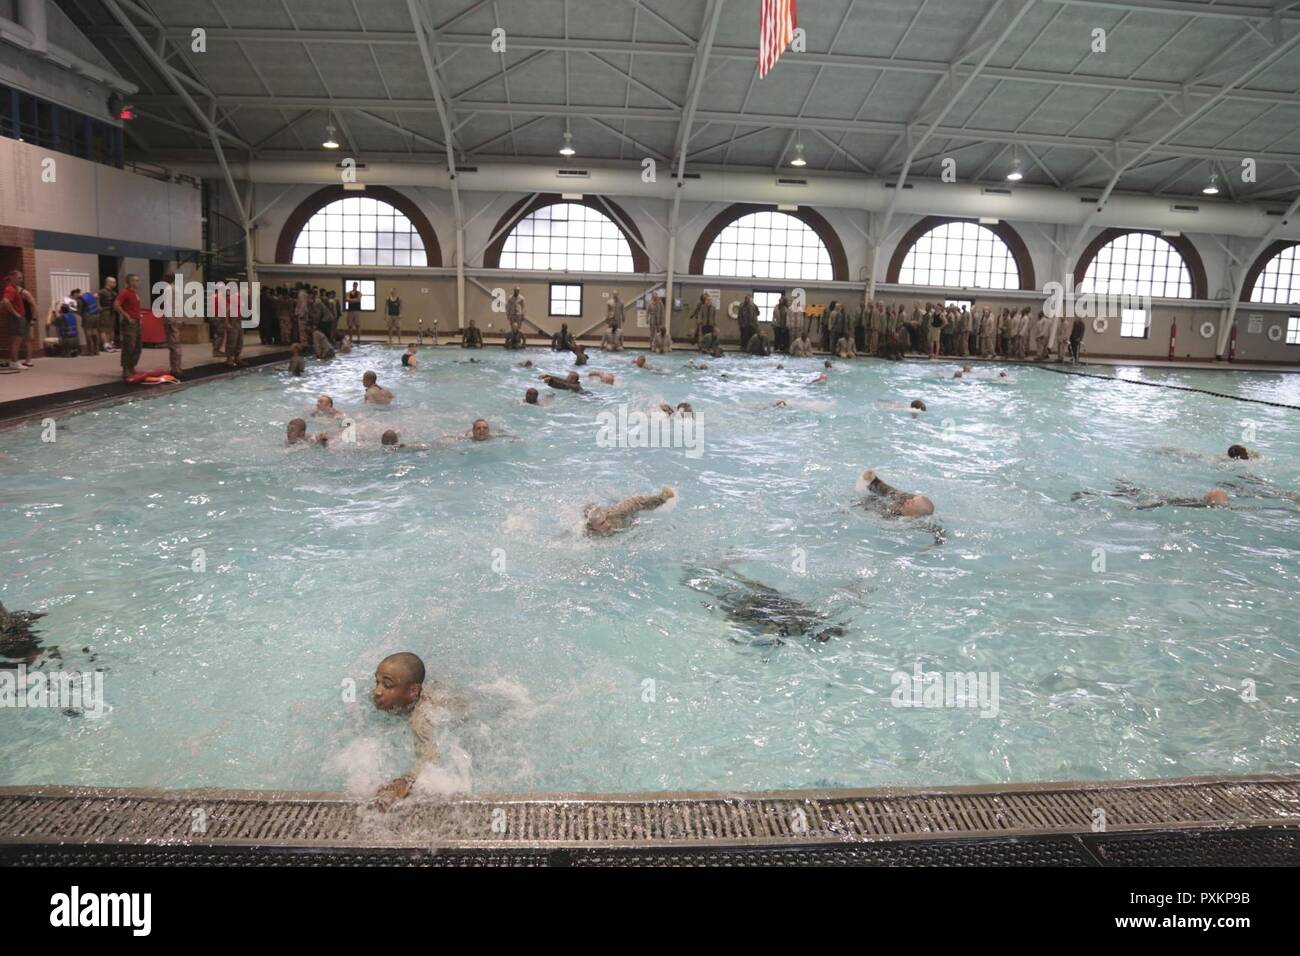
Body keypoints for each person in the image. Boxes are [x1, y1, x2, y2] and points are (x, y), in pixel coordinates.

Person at [370, 652, 466, 804]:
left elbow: (430, 759)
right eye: (377, 682)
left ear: (413, 691)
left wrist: (406, 781)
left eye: (387, 685)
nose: (377, 692)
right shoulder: (403, 695)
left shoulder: (422, 718)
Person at [857, 469, 944, 543]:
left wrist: (934, 546)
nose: (908, 501)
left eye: (911, 503)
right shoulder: (903, 500)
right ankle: (872, 480)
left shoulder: (917, 522)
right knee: (887, 493)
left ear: (916, 515)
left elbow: (939, 532)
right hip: (892, 501)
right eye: (911, 500)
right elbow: (890, 492)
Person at [584, 486, 676, 536]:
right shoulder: (589, 533)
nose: (607, 524)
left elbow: (637, 501)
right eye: (601, 524)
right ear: (593, 527)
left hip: (629, 517)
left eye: (606, 519)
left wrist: (661, 498)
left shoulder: (616, 513)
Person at [1, 270, 35, 370]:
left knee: (16, 341)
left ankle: (14, 362)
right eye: (19, 278)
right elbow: (6, 301)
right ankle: (14, 362)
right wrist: (16, 314)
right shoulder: (10, 288)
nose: (21, 280)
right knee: (16, 341)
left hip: (20, 317)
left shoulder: (14, 289)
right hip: (18, 318)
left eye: (21, 278)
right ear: (12, 277)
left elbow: (4, 302)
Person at [114, 273, 144, 380]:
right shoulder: (125, 293)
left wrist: (139, 317)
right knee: (129, 346)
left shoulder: (135, 293)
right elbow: (116, 305)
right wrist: (127, 316)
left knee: (138, 346)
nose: (138, 282)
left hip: (137, 322)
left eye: (138, 280)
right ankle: (126, 369)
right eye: (136, 280)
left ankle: (131, 366)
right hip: (129, 323)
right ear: (130, 282)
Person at [160, 271, 184, 379]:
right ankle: (176, 367)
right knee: (176, 344)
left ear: (165, 278)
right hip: (178, 318)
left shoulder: (168, 289)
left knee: (174, 345)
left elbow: (168, 305)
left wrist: (169, 320)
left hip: (172, 319)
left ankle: (176, 369)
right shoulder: (177, 289)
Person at [78, 287, 102, 356]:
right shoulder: (91, 297)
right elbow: (98, 307)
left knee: (88, 333)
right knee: (95, 332)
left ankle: (90, 351)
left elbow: (79, 311)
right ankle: (96, 350)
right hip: (96, 316)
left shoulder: (80, 300)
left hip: (88, 317)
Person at [98, 276, 119, 351]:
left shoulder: (114, 293)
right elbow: (96, 300)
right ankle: (105, 345)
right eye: (113, 282)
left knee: (111, 328)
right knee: (104, 328)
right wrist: (99, 308)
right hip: (105, 311)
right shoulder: (102, 292)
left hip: (112, 312)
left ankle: (111, 343)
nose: (115, 284)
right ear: (108, 282)